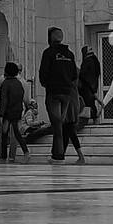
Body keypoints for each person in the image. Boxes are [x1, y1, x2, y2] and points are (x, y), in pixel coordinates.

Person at [38, 26, 84, 163]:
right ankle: (57, 155)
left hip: (54, 93)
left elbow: (43, 73)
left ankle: (58, 156)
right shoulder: (69, 54)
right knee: (61, 124)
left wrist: (47, 84)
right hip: (67, 94)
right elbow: (74, 75)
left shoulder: (48, 53)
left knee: (57, 126)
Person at [0, 61, 29, 162]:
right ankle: (26, 152)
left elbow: (3, 99)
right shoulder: (19, 83)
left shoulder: (5, 83)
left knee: (4, 134)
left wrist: (1, 114)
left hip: (7, 113)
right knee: (17, 133)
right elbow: (22, 97)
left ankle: (3, 156)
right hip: (17, 111)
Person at [78, 46, 102, 128]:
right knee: (91, 103)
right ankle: (95, 119)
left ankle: (88, 120)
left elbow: (83, 74)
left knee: (87, 103)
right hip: (93, 86)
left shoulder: (87, 61)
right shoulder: (95, 61)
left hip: (86, 86)